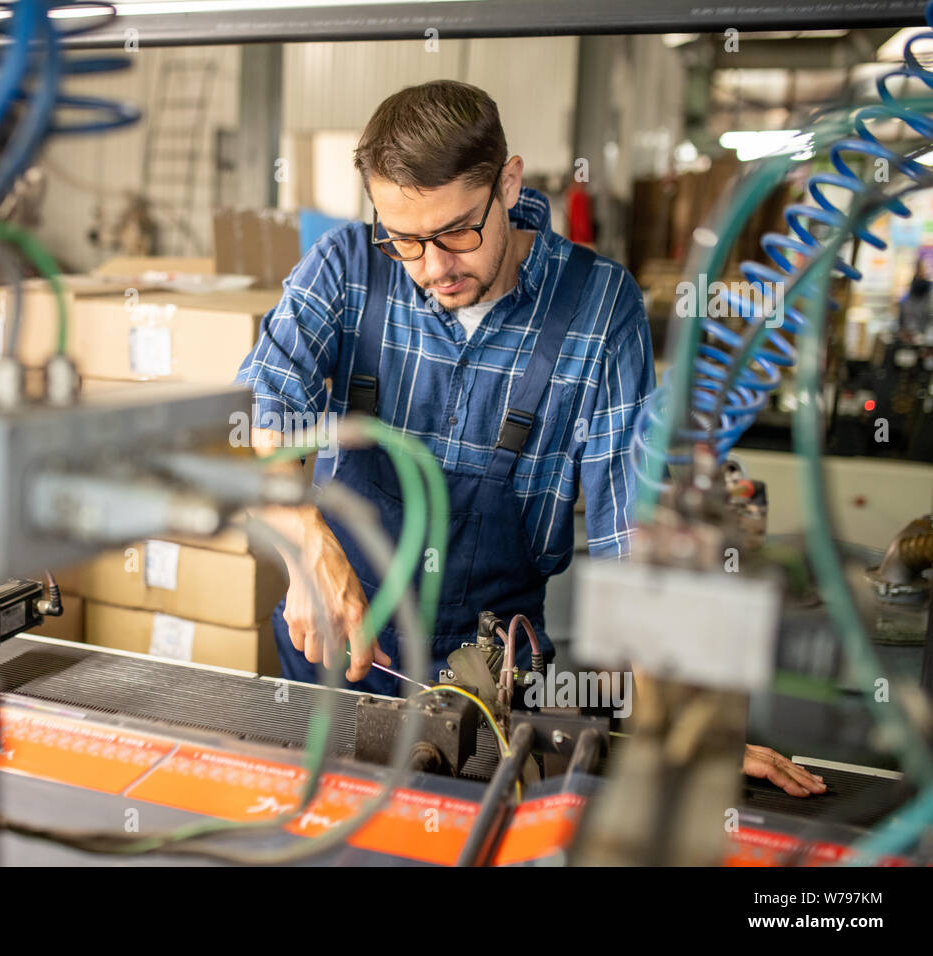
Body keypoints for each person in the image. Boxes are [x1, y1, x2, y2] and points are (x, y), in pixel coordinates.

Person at [235, 80, 825, 798]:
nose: (432, 269)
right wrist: (303, 539)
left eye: (456, 232)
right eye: (405, 239)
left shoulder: (598, 306)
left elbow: (628, 532)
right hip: (335, 660)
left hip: (498, 692)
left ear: (508, 182)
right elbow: (263, 408)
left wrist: (679, 721)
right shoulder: (346, 268)